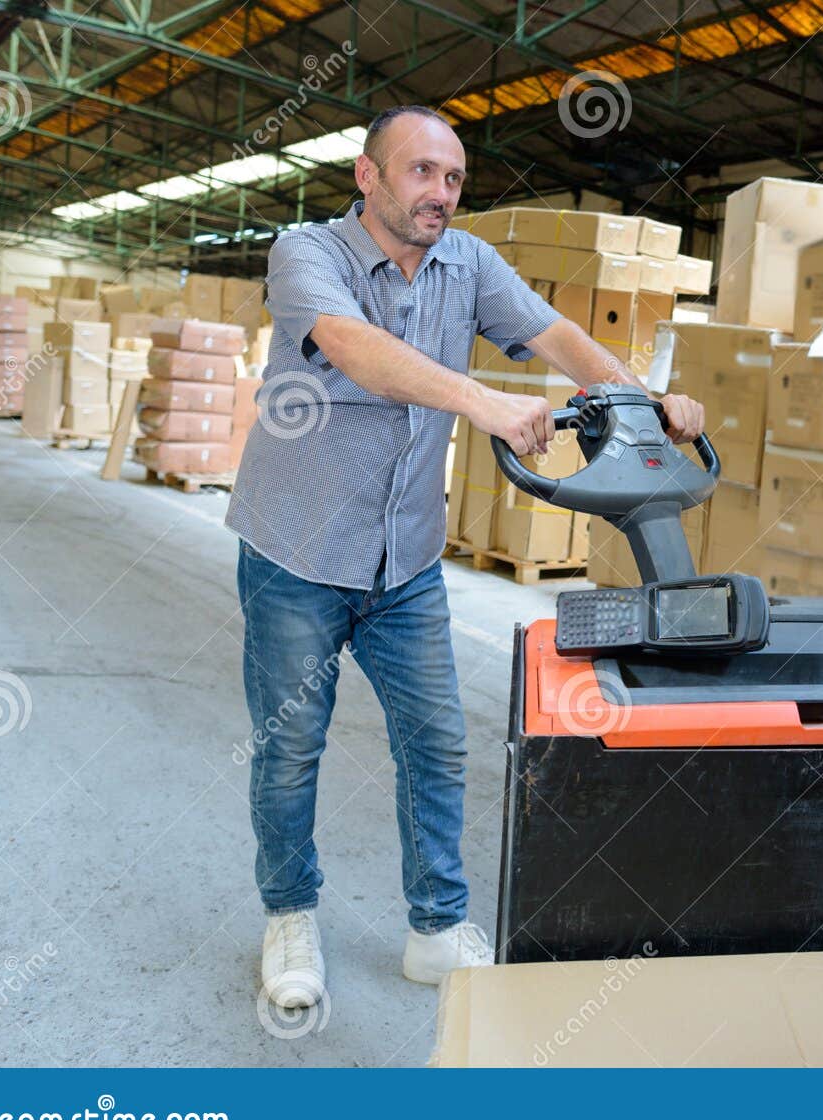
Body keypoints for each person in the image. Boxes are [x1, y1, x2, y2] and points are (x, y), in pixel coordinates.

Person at [224, 105, 704, 1010]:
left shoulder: (470, 263)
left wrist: (643, 400)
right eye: (421, 172)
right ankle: (290, 918)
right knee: (289, 750)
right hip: (296, 552)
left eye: (452, 178)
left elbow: (556, 336)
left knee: (437, 743)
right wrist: (484, 402)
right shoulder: (307, 253)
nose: (440, 193)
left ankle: (437, 929)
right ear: (368, 175)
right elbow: (358, 351)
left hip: (403, 562)